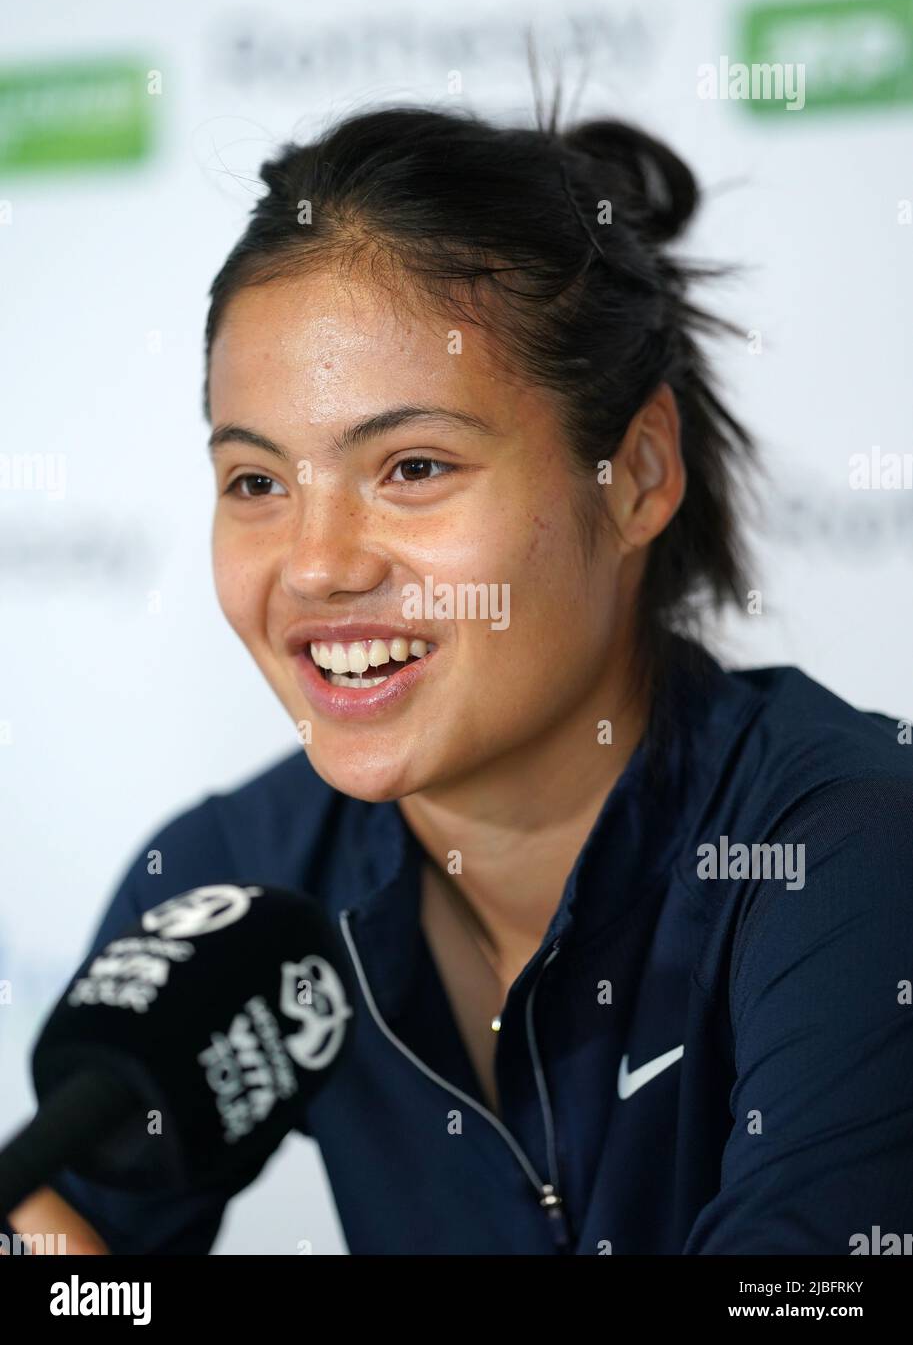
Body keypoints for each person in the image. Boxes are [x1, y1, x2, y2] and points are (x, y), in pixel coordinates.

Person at [8, 99, 913, 1256]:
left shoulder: (847, 852)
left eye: (413, 466)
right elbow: (68, 1239)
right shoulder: (226, 888)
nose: (318, 565)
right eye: (254, 482)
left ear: (635, 473)